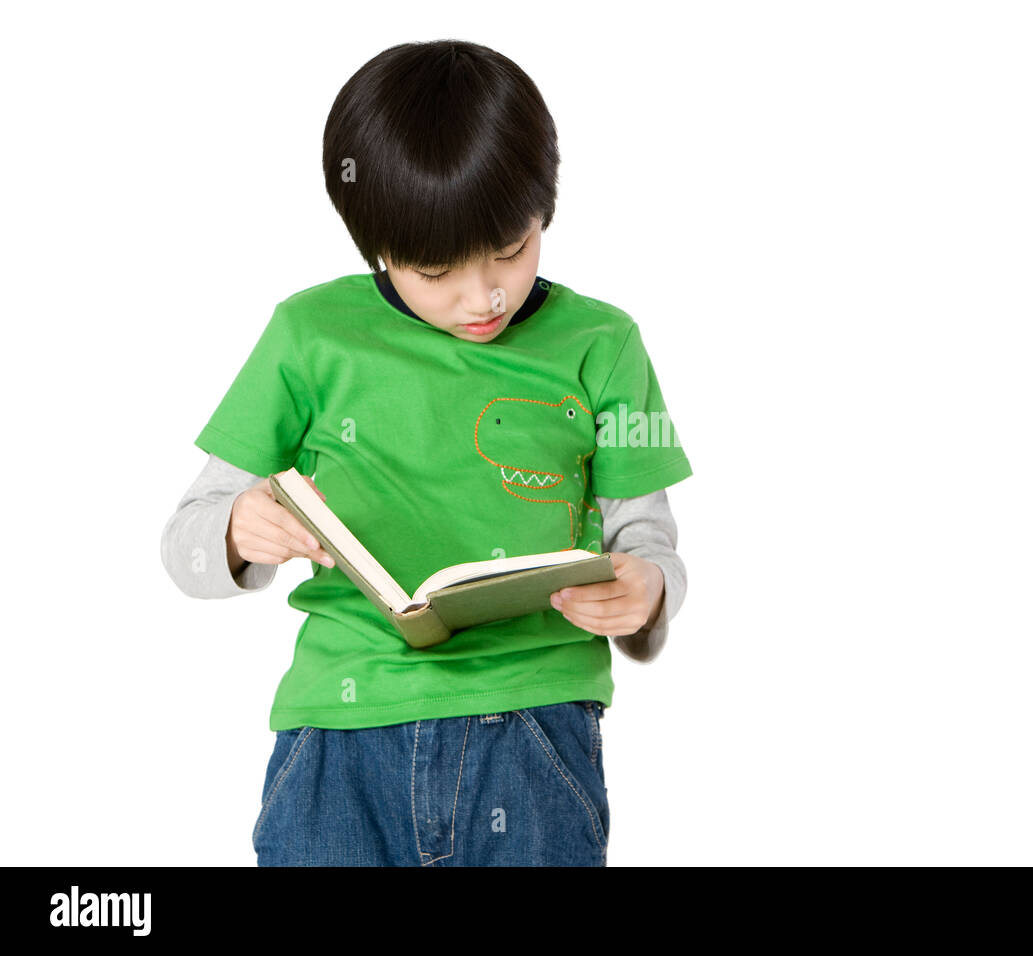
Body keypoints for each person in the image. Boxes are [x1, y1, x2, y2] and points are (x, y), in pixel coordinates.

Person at [159, 39, 692, 866]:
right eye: (436, 270)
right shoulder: (309, 335)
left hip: (536, 732)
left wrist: (648, 594)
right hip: (338, 739)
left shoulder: (605, 344)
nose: (483, 296)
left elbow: (648, 542)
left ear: (544, 205)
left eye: (511, 250)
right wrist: (234, 533)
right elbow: (185, 539)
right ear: (375, 246)